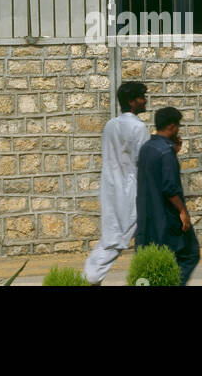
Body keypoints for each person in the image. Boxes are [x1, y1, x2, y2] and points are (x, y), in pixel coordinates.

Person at [82, 80, 149, 285]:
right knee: (118, 238)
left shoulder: (111, 125)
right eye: (141, 97)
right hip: (133, 190)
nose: (144, 101)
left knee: (114, 234)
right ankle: (90, 277)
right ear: (131, 102)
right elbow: (144, 163)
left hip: (111, 188)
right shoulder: (139, 128)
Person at [135, 106, 200, 286]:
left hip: (148, 218)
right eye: (177, 126)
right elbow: (169, 188)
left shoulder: (147, 148)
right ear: (172, 127)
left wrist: (173, 150)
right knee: (190, 254)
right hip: (167, 217)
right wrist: (182, 211)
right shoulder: (165, 152)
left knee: (154, 260)